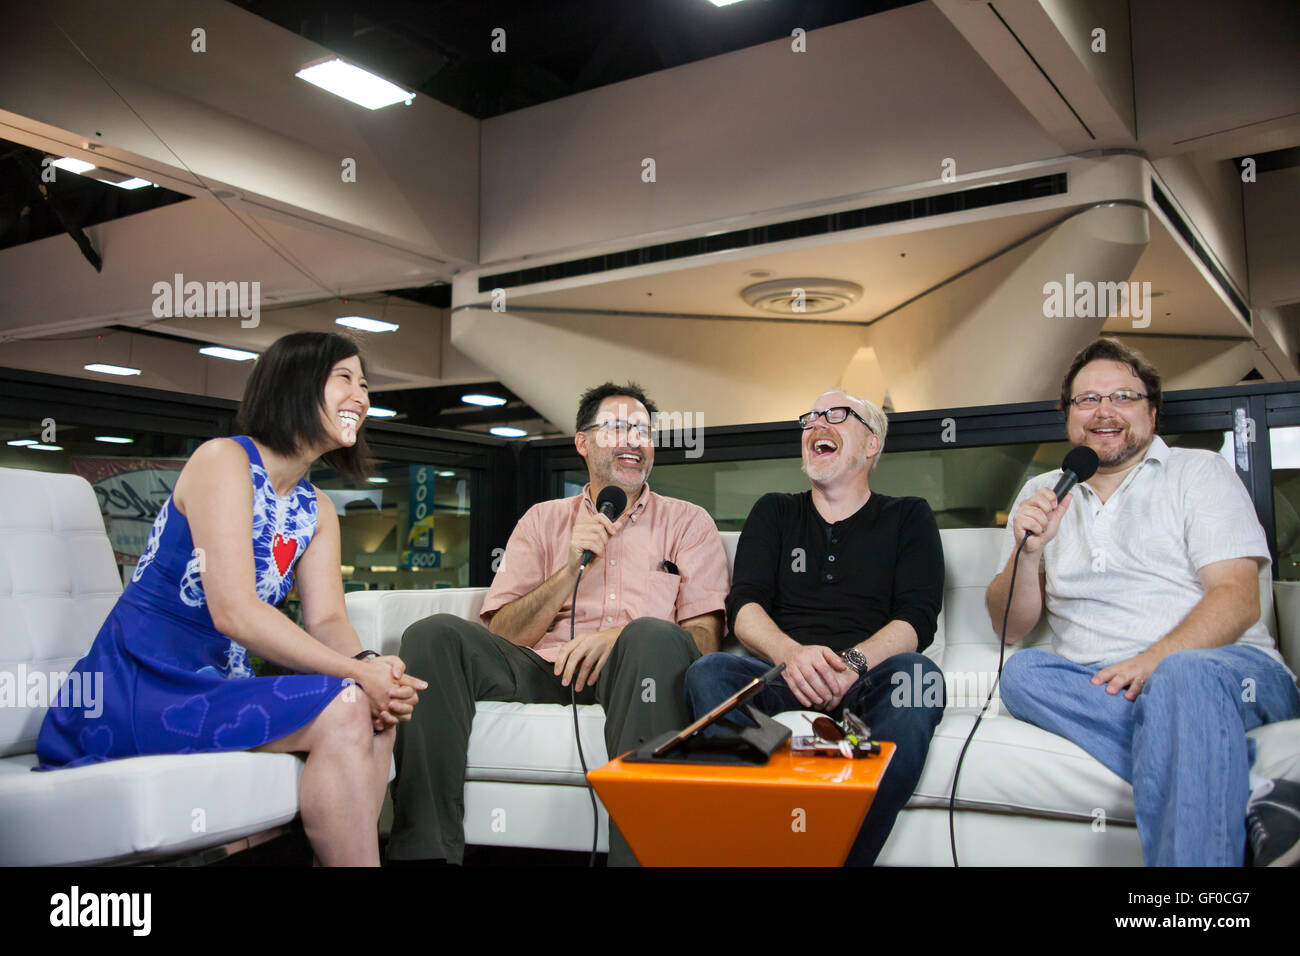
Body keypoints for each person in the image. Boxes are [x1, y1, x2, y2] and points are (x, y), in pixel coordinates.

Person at [36, 331, 425, 867]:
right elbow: (234, 610)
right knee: (352, 701)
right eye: (344, 378)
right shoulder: (224, 460)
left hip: (220, 682)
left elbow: (329, 619)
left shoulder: (318, 510)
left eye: (364, 383)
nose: (361, 395)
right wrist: (356, 676)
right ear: (294, 385)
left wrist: (369, 667)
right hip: (139, 680)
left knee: (378, 710)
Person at [986, 337, 1300, 866]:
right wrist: (1030, 552)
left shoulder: (1197, 473)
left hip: (1225, 670)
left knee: (1182, 678)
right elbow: (1010, 629)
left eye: (1122, 397)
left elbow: (1239, 599)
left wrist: (1158, 661)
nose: (1103, 411)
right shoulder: (1043, 490)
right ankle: (1244, 784)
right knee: (1023, 676)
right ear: (1069, 417)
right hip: (1103, 684)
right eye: (1087, 400)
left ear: (1151, 413)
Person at [387, 382, 729, 866]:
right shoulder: (542, 520)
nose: (634, 440)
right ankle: (424, 854)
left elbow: (704, 641)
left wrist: (616, 639)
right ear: (582, 443)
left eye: (643, 430)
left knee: (651, 636)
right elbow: (503, 633)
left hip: (637, 674)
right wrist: (569, 569)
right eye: (617, 428)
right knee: (431, 634)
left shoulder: (688, 523)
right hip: (543, 668)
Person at [684, 389, 945, 866]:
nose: (817, 425)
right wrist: (792, 656)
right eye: (811, 418)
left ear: (871, 445)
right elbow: (744, 608)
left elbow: (918, 618)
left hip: (867, 682)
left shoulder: (908, 515)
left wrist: (852, 665)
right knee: (709, 675)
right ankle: (772, 827)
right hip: (785, 677)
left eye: (836, 415)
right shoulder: (774, 511)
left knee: (918, 678)